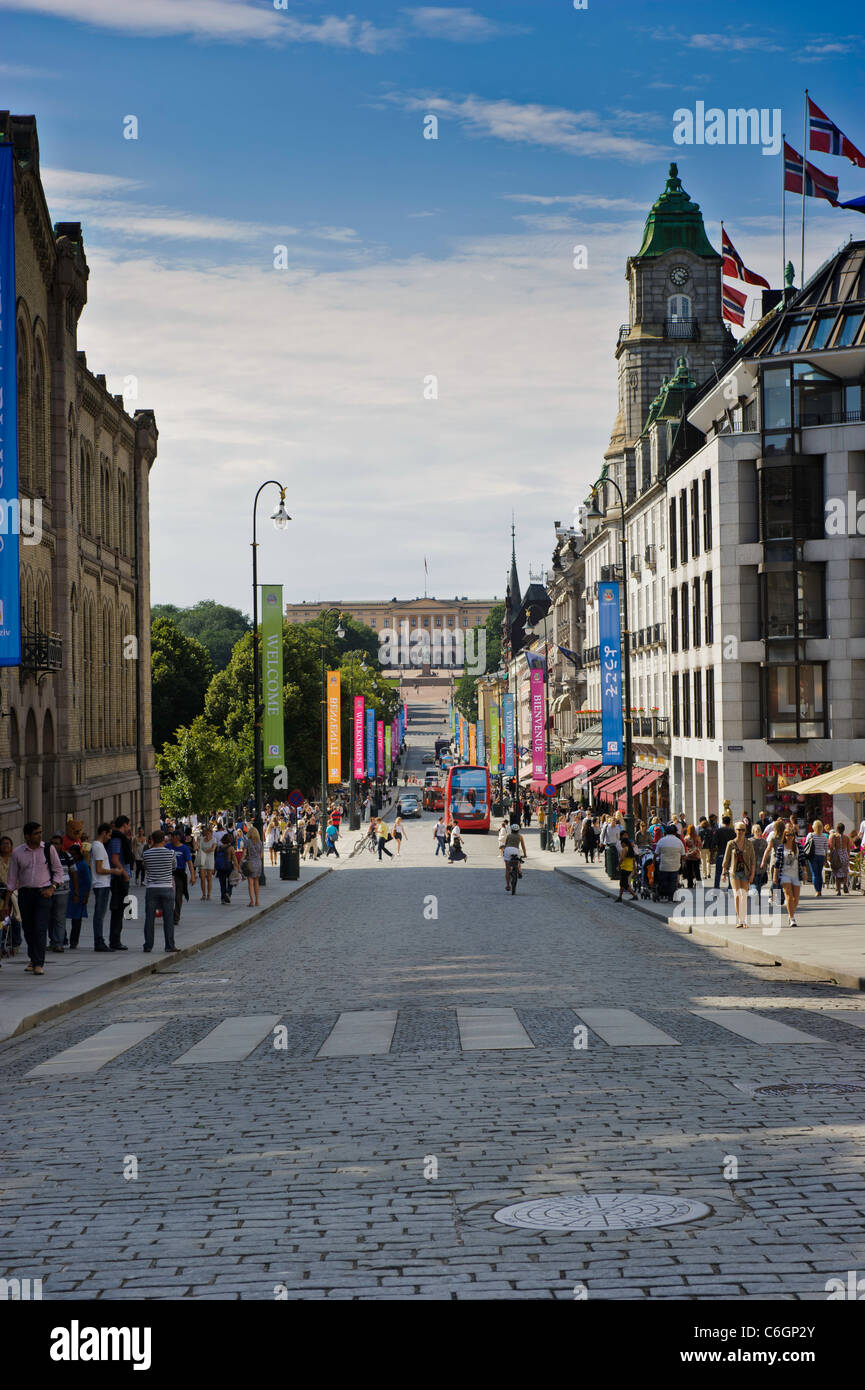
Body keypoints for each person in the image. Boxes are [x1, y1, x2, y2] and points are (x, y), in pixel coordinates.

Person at [3, 822, 64, 976]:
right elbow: (12, 879)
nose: (39, 835)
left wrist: (52, 888)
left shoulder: (48, 849)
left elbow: (58, 871)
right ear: (28, 836)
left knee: (40, 928)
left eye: (40, 832)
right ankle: (33, 957)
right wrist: (6, 903)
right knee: (29, 929)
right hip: (25, 893)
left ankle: (38, 963)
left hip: (43, 894)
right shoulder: (18, 853)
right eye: (36, 833)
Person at [141, 829, 178, 951]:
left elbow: (146, 868)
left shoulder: (146, 853)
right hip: (167, 887)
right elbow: (174, 867)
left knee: (149, 918)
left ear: (152, 839)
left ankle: (148, 945)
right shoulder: (171, 853)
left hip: (152, 888)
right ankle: (169, 945)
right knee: (168, 918)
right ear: (164, 840)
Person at [721, 822, 756, 928]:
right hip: (734, 872)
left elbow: (753, 860)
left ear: (746, 831)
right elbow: (726, 860)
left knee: (744, 896)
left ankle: (744, 919)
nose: (740, 832)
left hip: (746, 872)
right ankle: (739, 919)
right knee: (737, 895)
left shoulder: (749, 844)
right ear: (735, 830)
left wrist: (752, 875)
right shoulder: (730, 843)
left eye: (742, 830)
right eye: (738, 829)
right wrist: (723, 873)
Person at [107, 815, 134, 950]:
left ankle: (116, 939)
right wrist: (124, 873)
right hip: (119, 879)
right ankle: (115, 940)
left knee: (120, 909)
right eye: (128, 825)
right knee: (117, 909)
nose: (129, 828)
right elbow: (115, 859)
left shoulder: (120, 838)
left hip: (121, 877)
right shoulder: (117, 839)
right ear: (124, 825)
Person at [773, 827, 807, 927]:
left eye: (791, 835)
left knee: (795, 899)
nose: (790, 837)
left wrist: (805, 872)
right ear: (784, 836)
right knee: (788, 895)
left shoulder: (798, 847)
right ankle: (792, 918)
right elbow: (777, 862)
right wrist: (775, 875)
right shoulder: (781, 847)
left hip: (796, 875)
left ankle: (790, 913)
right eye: (787, 835)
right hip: (785, 875)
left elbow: (802, 860)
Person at [90, 823, 116, 950]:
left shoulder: (98, 846)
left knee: (100, 913)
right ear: (103, 833)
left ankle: (99, 940)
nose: (110, 838)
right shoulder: (98, 846)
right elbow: (99, 869)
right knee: (99, 914)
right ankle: (98, 941)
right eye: (109, 834)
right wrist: (113, 871)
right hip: (101, 884)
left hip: (102, 884)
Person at [47, 833, 73, 952]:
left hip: (62, 891)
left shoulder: (66, 856)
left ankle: (59, 943)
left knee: (59, 917)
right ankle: (53, 941)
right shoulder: (46, 856)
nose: (54, 846)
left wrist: (76, 891)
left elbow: (74, 872)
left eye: (57, 844)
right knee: (49, 917)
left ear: (61, 845)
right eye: (53, 843)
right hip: (48, 891)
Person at [66, 843, 92, 949]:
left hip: (79, 894)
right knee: (60, 917)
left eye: (73, 855)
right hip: (67, 893)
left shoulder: (83, 864)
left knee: (76, 919)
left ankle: (73, 941)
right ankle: (63, 938)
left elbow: (88, 881)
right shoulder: (68, 864)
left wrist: (86, 896)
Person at [0, 835, 21, 954]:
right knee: (3, 917)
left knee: (15, 917)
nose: (5, 846)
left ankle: (16, 942)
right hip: (1, 890)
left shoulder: (15, 858)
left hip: (14, 891)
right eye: (3, 843)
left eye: (8, 844)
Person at [655, 826, 685, 901]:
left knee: (663, 880)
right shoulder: (679, 842)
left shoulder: (661, 841)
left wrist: (653, 861)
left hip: (664, 865)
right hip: (675, 866)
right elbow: (683, 855)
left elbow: (656, 853)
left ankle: (662, 893)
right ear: (674, 832)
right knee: (673, 882)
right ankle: (671, 897)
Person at [803, 820, 828, 898]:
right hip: (821, 856)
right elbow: (826, 848)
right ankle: (819, 890)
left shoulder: (810, 835)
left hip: (813, 856)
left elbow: (806, 845)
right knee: (819, 873)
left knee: (814, 873)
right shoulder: (824, 836)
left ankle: (817, 890)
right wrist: (826, 858)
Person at [828, 823, 852, 895]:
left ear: (837, 829)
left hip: (837, 856)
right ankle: (845, 884)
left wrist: (830, 856)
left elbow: (832, 847)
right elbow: (848, 849)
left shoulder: (834, 837)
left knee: (837, 873)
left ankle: (838, 890)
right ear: (844, 829)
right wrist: (848, 857)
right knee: (845, 873)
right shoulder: (847, 838)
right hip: (845, 856)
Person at [713, 815, 736, 889]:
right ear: (729, 822)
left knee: (718, 873)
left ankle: (716, 888)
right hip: (730, 855)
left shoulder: (718, 831)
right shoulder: (733, 831)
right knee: (730, 872)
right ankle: (730, 888)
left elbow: (714, 843)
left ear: (722, 822)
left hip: (721, 853)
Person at [196, 824, 217, 901]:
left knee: (209, 878)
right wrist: (195, 842)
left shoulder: (214, 839)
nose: (208, 835)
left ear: (211, 834)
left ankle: (209, 894)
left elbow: (213, 849)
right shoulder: (201, 839)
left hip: (210, 859)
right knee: (202, 878)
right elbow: (197, 848)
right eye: (206, 834)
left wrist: (203, 851)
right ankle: (203, 894)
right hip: (202, 859)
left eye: (209, 834)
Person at [242, 826, 263, 905]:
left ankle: (252, 901)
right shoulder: (260, 842)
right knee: (256, 882)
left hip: (250, 863)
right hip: (258, 863)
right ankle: (257, 901)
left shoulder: (247, 842)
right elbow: (261, 855)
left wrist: (241, 861)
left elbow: (244, 853)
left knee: (250, 883)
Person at [502, 822, 526, 890]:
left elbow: (506, 844)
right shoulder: (520, 836)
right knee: (518, 861)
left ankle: (508, 885)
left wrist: (504, 852)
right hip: (515, 850)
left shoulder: (509, 835)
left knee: (507, 869)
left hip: (508, 850)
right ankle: (519, 871)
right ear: (518, 830)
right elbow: (523, 846)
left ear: (511, 830)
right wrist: (525, 854)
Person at [615, 834, 638, 902]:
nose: (621, 845)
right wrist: (635, 869)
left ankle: (634, 895)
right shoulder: (631, 849)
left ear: (624, 843)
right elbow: (633, 861)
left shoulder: (625, 849)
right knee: (623, 883)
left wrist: (618, 865)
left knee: (624, 884)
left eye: (621, 843)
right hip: (629, 868)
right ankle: (620, 897)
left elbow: (622, 858)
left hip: (624, 868)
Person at [682, 824, 702, 888]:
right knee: (697, 871)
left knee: (689, 871)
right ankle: (699, 885)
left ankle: (690, 884)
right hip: (696, 856)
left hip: (689, 856)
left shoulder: (686, 838)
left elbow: (684, 847)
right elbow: (700, 846)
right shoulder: (697, 837)